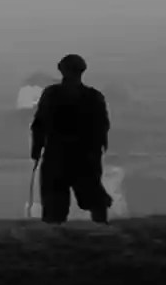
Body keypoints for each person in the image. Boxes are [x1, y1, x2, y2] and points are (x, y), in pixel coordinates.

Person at [30, 54, 112, 224]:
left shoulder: (52, 94)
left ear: (62, 70)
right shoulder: (93, 97)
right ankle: (102, 227)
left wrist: (37, 149)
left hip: (60, 155)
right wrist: (98, 150)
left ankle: (58, 231)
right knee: (91, 196)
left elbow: (39, 124)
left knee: (57, 203)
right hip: (82, 156)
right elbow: (102, 127)